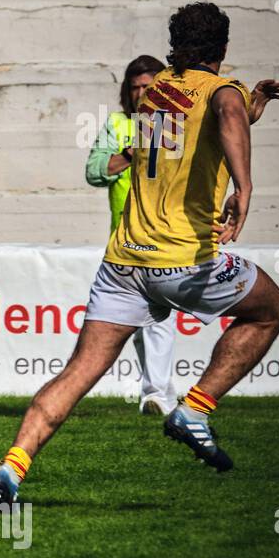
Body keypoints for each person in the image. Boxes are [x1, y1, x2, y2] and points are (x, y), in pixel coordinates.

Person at [0, 3, 279, 503]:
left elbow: (223, 120)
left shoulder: (159, 93)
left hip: (124, 260)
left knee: (79, 371)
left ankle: (12, 467)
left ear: (176, 44)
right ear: (225, 48)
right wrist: (245, 186)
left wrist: (254, 103)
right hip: (184, 257)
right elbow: (225, 114)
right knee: (271, 310)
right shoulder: (220, 92)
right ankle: (194, 408)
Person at [85, 55, 179, 417]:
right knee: (143, 322)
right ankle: (160, 393)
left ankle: (156, 393)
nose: (141, 94)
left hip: (165, 236)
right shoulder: (118, 125)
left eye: (148, 87)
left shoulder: (175, 125)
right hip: (123, 238)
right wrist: (130, 150)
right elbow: (95, 171)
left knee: (160, 317)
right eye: (135, 87)